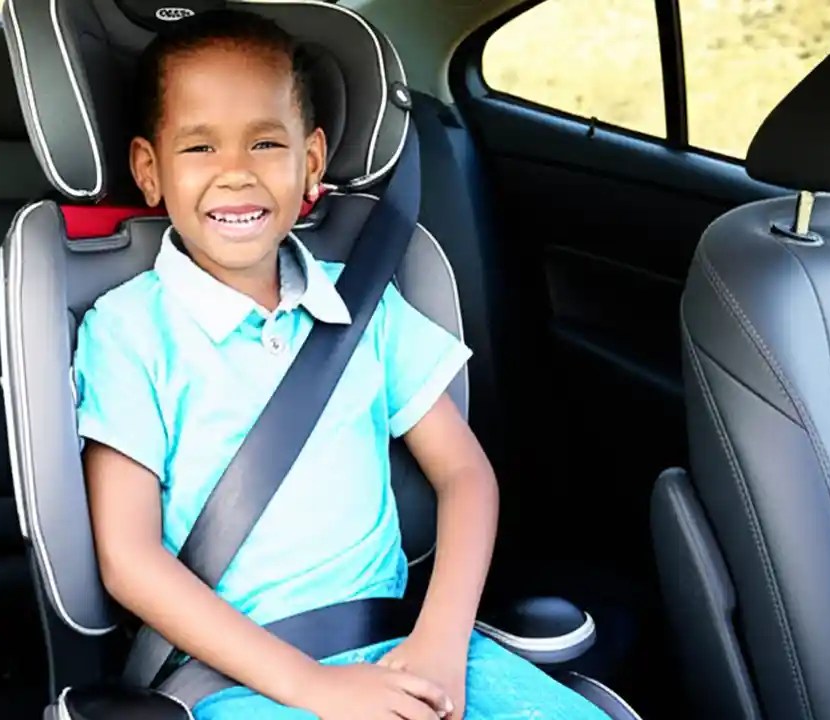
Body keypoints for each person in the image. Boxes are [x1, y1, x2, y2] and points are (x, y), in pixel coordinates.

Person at [71, 9, 611, 720]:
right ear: (150, 169)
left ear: (312, 164)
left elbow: (465, 474)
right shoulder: (129, 330)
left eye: (266, 142)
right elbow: (130, 559)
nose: (236, 173)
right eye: (199, 148)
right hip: (242, 679)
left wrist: (442, 640)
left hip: (404, 650)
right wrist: (315, 688)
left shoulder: (364, 308)